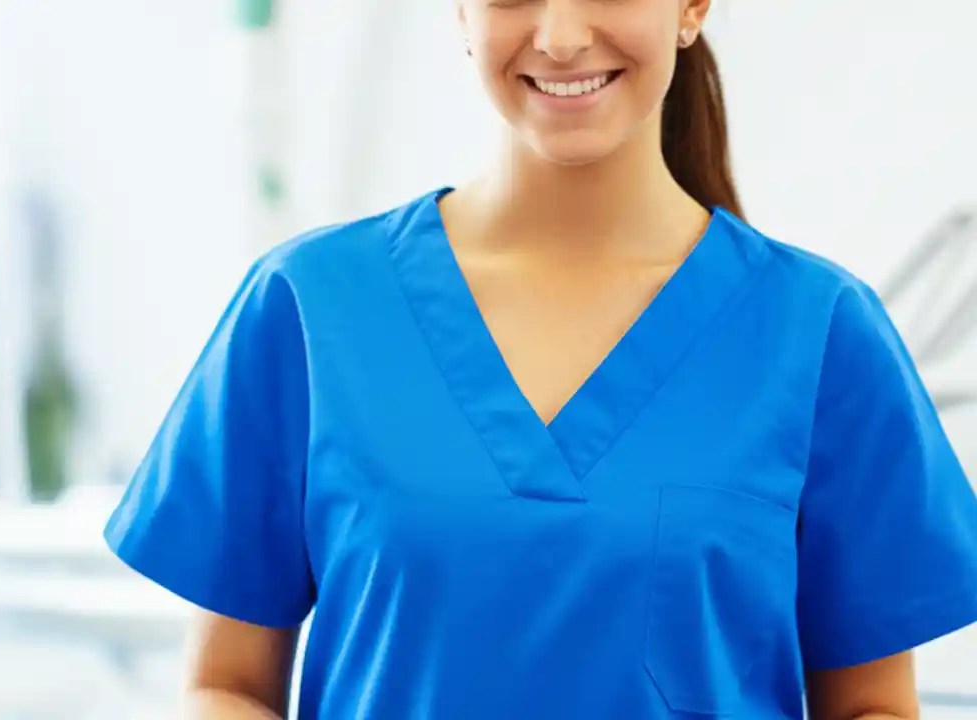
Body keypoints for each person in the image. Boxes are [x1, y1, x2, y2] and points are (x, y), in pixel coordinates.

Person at [103, 0, 977, 717]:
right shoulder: (306, 307)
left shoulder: (819, 334)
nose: (560, 36)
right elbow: (227, 684)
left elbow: (871, 705)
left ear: (692, 7)